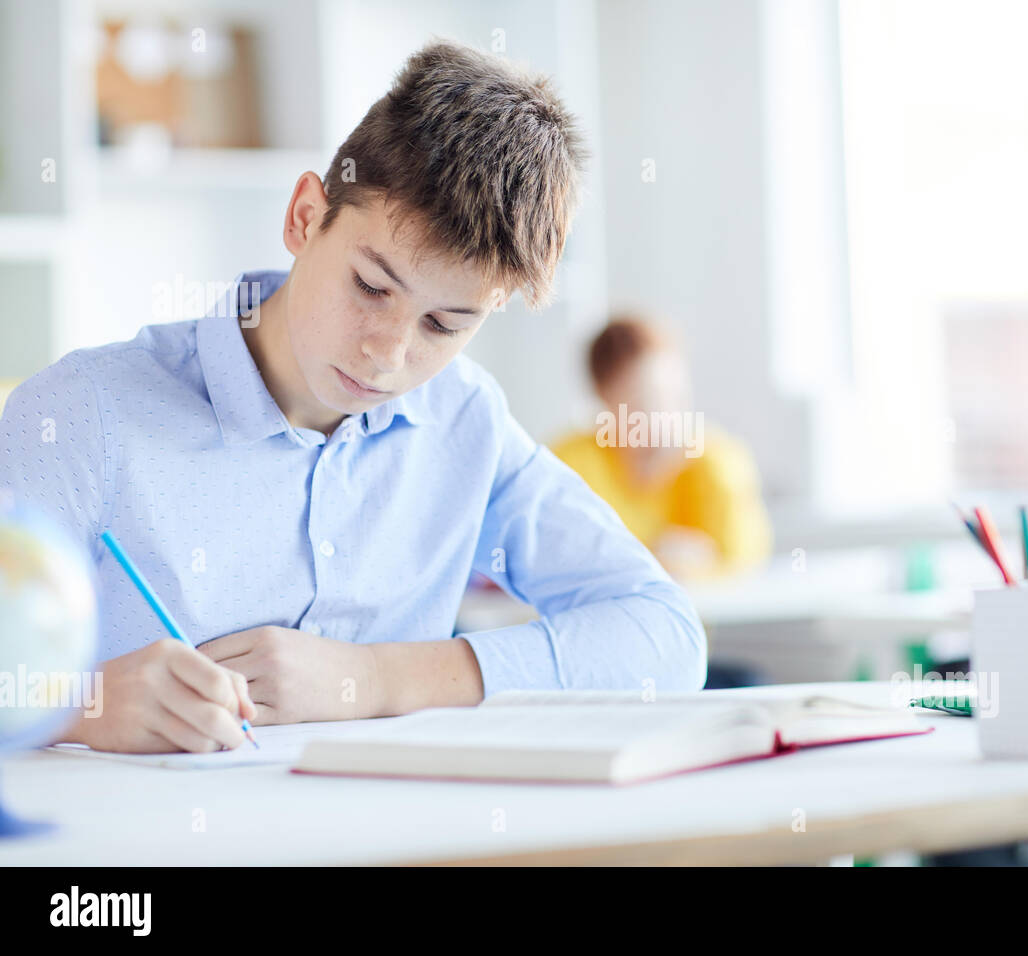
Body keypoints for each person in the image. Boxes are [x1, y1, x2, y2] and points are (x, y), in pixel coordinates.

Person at [0, 41, 706, 755]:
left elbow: (665, 638)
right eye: (372, 287)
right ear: (305, 216)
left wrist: (372, 677)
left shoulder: (463, 421)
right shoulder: (78, 415)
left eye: (444, 324)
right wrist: (78, 706)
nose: (388, 353)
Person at [551, 315, 773, 581]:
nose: (663, 412)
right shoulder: (574, 461)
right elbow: (559, 556)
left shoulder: (711, 457)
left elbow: (747, 556)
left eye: (674, 395)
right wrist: (651, 556)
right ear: (604, 398)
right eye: (642, 399)